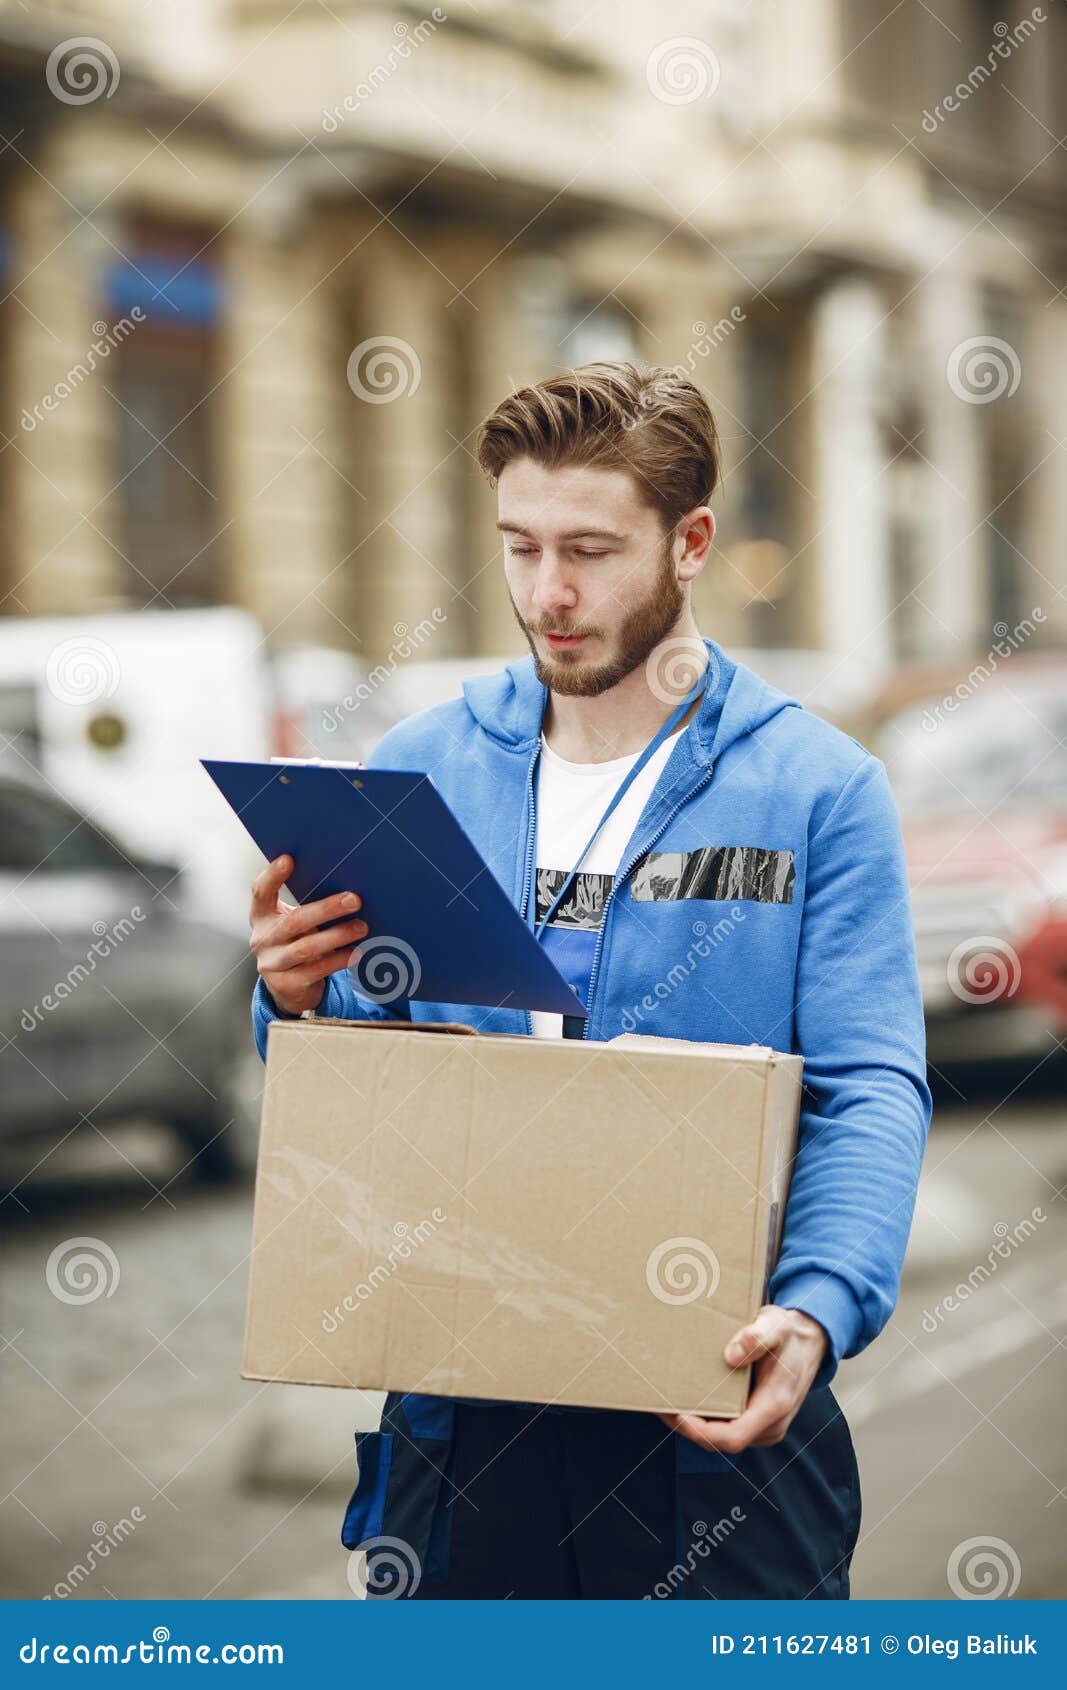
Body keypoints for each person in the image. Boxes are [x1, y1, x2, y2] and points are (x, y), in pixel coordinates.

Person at [247, 362, 931, 1600]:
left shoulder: (814, 788)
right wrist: (299, 999)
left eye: (590, 551)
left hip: (711, 1424)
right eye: (518, 548)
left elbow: (866, 1086)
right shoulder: (425, 766)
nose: (547, 595)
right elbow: (365, 1073)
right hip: (458, 1429)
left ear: (690, 542)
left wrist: (817, 1309)